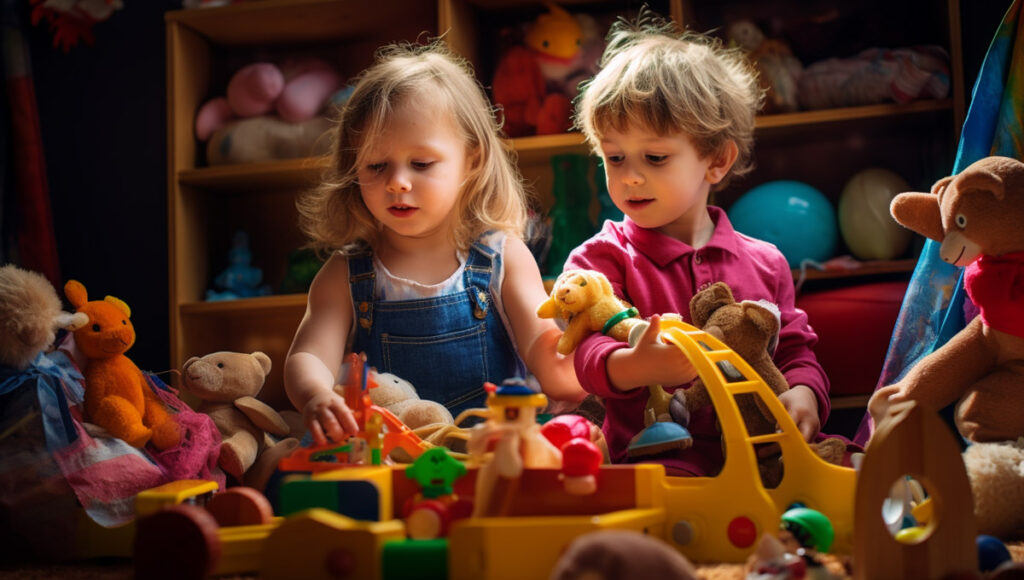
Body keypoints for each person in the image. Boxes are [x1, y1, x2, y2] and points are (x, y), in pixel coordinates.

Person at [566, 12, 830, 476]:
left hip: (766, 450)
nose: (629, 175)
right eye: (614, 156)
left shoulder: (766, 262)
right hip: (662, 458)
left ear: (717, 160)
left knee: (849, 463)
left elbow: (794, 351)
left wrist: (805, 395)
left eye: (654, 157)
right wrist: (636, 365)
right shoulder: (598, 261)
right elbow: (584, 357)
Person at [285, 41, 584, 445]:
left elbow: (544, 348)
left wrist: (586, 361)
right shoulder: (345, 273)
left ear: (472, 160)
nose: (397, 182)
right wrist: (316, 396)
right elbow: (307, 356)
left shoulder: (503, 256)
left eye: (421, 164)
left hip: (495, 455)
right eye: (376, 165)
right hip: (392, 461)